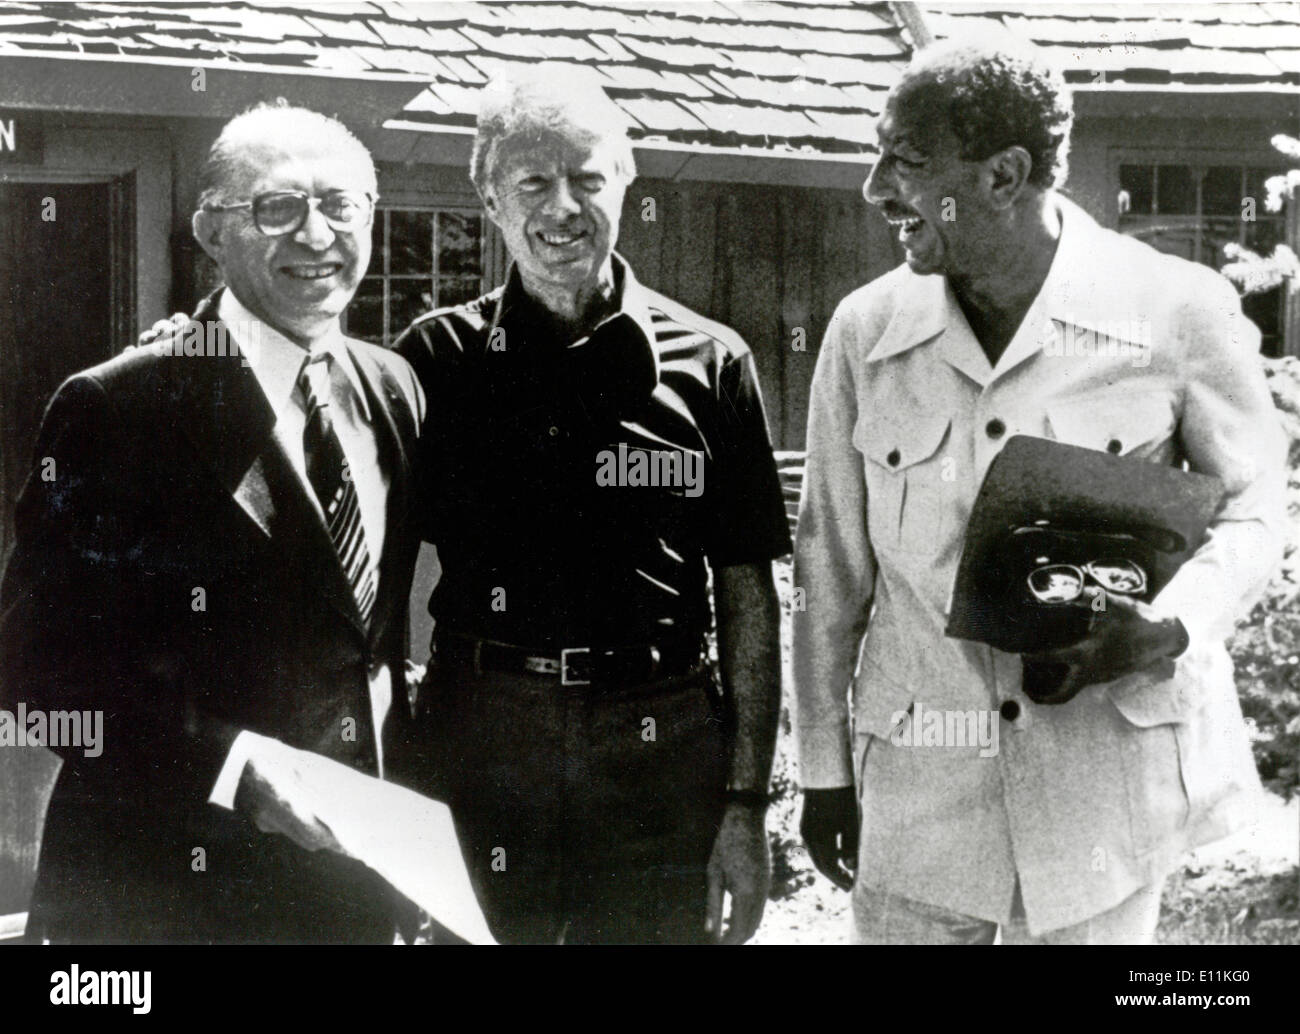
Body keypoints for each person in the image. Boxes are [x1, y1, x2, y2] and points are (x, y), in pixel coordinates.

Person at [792, 38, 1287, 945]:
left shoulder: (1174, 311)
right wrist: (823, 769)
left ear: (1004, 175)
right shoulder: (865, 333)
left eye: (904, 161)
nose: (874, 189)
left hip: (1101, 810)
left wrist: (1172, 623)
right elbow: (829, 571)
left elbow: (1256, 511)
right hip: (921, 812)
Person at [0, 102, 426, 943]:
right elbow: (33, 673)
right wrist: (234, 767)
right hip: (164, 895)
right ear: (210, 230)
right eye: (277, 207)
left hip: (352, 893)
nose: (317, 236)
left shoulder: (390, 389)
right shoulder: (118, 406)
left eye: (342, 205)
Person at [395, 71, 791, 944]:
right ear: (491, 197)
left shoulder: (714, 364)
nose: (563, 208)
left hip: (659, 743)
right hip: (486, 736)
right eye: (534, 183)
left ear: (627, 183)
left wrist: (744, 803)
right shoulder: (434, 361)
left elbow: (749, 596)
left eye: (588, 179)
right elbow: (375, 586)